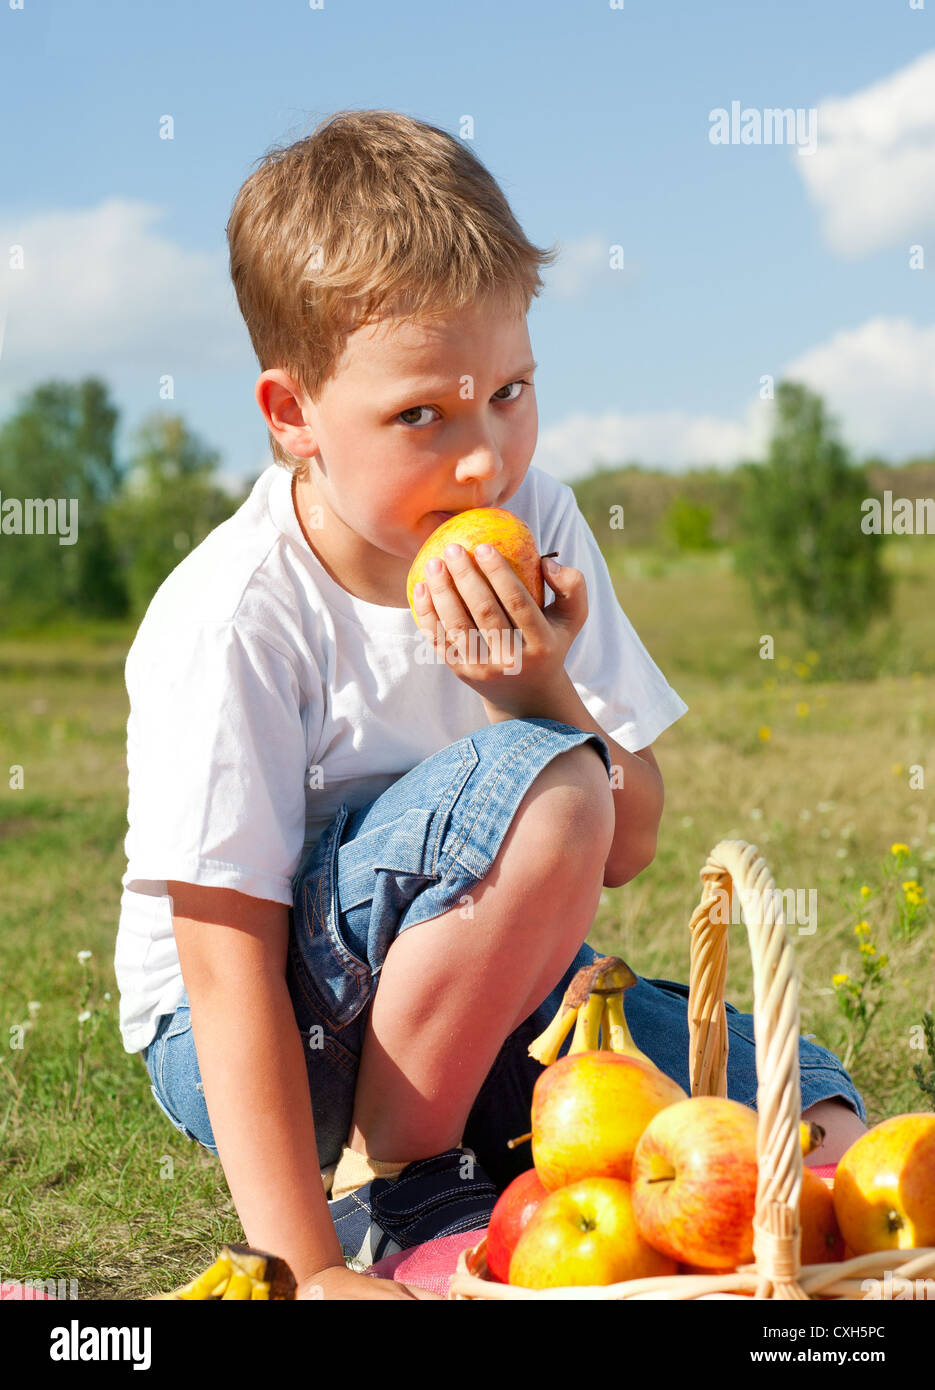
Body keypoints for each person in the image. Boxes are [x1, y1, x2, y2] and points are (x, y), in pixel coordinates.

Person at [115, 109, 867, 1301]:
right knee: (554, 789)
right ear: (290, 413)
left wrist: (534, 686)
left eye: (509, 392)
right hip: (267, 1046)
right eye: (421, 416)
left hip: (487, 999)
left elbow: (631, 845)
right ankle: (395, 1194)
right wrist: (305, 1268)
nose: (484, 462)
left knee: (815, 1125)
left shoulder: (540, 517)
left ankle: (462, 1164)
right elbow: (221, 965)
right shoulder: (235, 614)